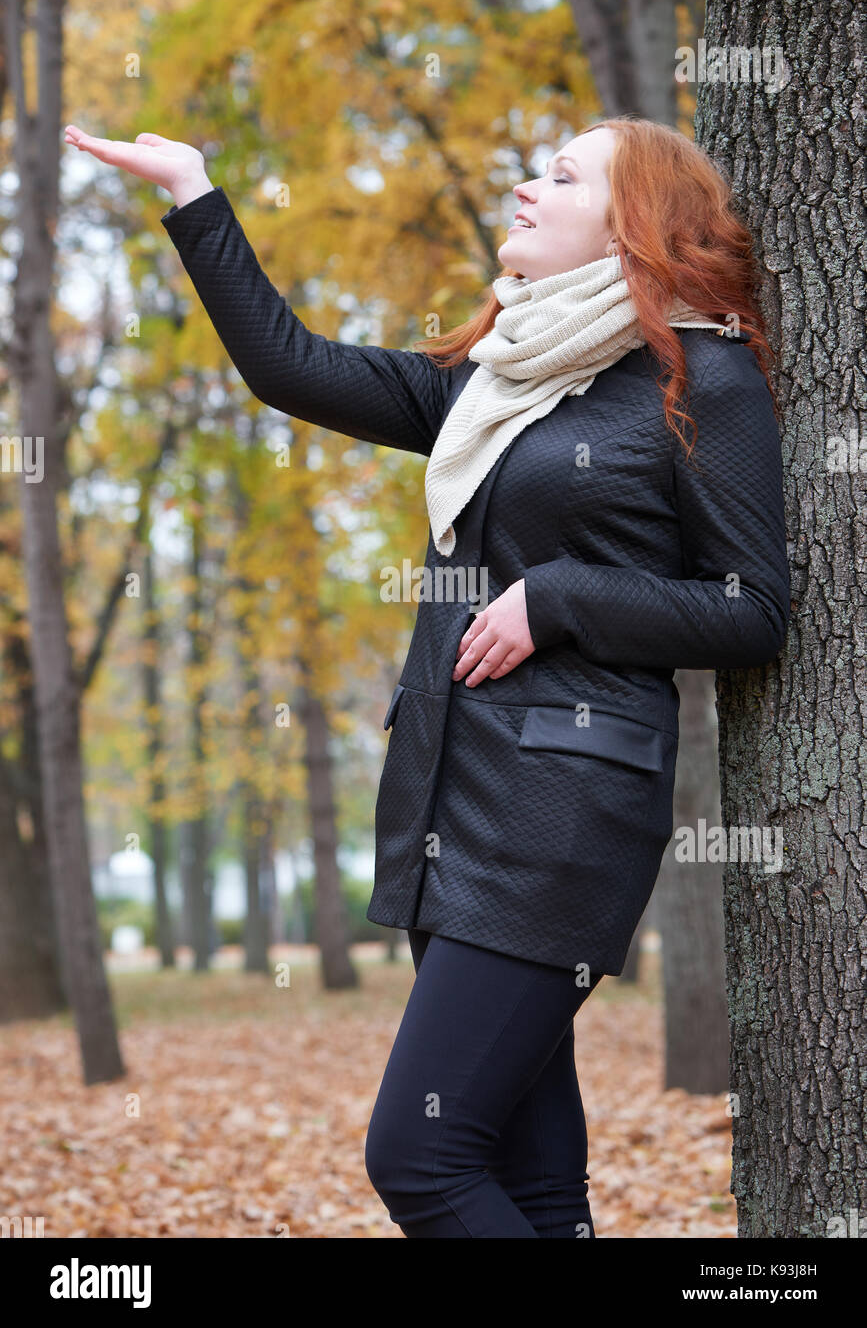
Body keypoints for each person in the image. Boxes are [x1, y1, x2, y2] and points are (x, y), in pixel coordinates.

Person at [64, 115, 790, 1238]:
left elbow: (753, 610)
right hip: (447, 803)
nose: (525, 188)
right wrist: (194, 197)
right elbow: (291, 368)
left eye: (560, 176)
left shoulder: (704, 378)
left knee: (422, 1155)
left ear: (634, 220)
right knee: (534, 1177)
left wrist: (558, 596)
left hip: (561, 821)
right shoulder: (496, 383)